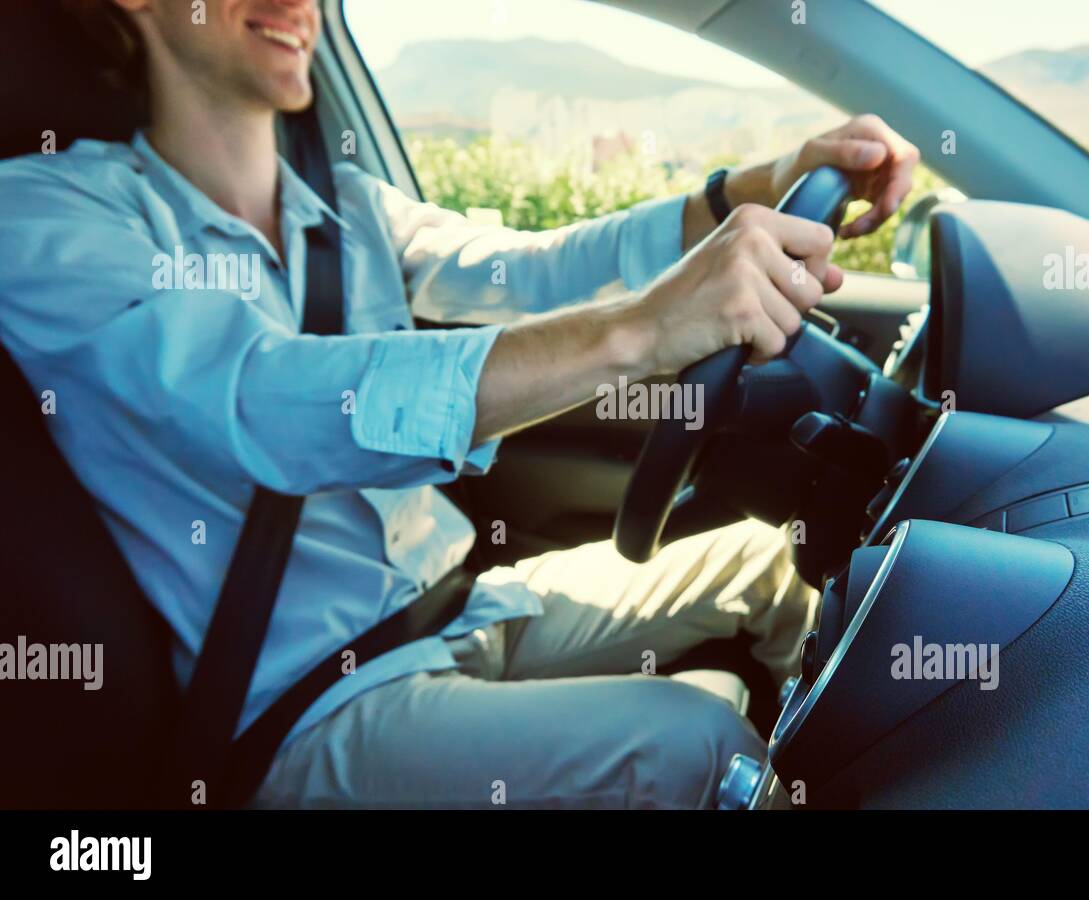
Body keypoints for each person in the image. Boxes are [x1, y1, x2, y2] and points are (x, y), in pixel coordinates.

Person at [0, 0, 918, 808]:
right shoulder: (45, 215)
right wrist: (637, 333)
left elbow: (535, 266)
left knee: (773, 564)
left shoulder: (349, 210)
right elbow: (260, 395)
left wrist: (756, 187)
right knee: (694, 745)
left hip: (454, 609)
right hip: (313, 707)